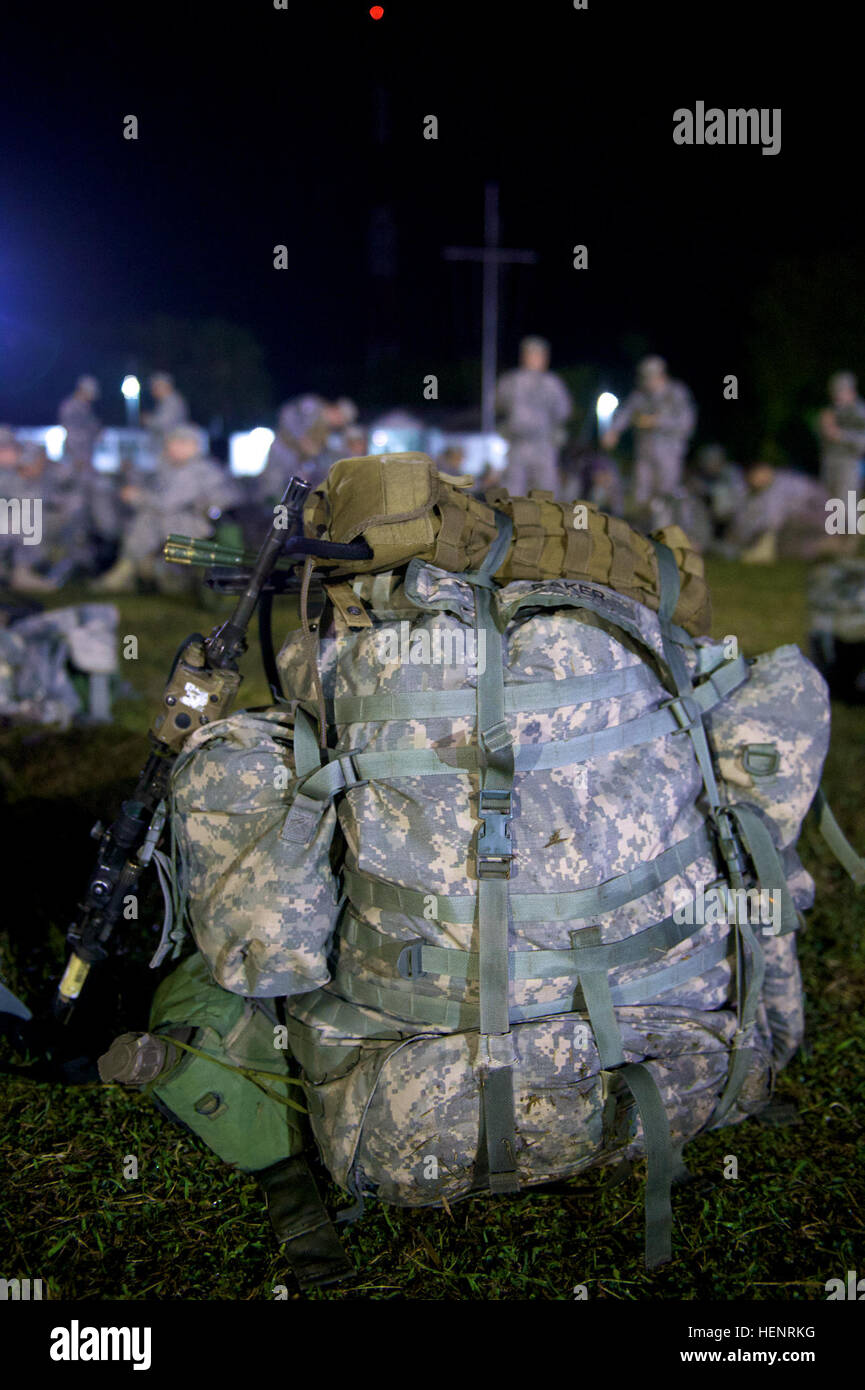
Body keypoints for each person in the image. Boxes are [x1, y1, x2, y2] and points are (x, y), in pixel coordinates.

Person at [91, 424, 240, 593]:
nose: (169, 447)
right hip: (192, 522)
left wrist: (137, 496)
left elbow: (166, 503)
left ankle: (128, 570)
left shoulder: (196, 470)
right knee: (148, 518)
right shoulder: (183, 467)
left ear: (191, 445)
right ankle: (135, 568)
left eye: (175, 443)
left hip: (201, 527)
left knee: (149, 518)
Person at [602, 356, 696, 519]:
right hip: (645, 453)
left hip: (668, 454)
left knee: (666, 494)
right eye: (645, 378)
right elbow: (626, 413)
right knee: (641, 493)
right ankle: (642, 533)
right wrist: (613, 431)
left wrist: (656, 421)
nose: (647, 382)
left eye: (650, 377)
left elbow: (686, 422)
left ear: (661, 376)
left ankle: (667, 533)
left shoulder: (676, 393)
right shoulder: (640, 395)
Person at [495, 336, 573, 495]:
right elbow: (497, 404)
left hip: (543, 443)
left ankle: (545, 519)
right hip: (518, 442)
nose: (536, 358)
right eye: (532, 354)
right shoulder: (511, 381)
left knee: (546, 489)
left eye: (539, 355)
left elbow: (564, 411)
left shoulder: (552, 383)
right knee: (513, 488)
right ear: (524, 356)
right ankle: (513, 519)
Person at [727, 463, 832, 563]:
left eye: (756, 475)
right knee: (790, 547)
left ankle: (832, 546)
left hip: (820, 518)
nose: (755, 480)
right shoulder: (766, 490)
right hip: (806, 524)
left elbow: (774, 520)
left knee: (787, 540)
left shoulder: (782, 482)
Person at [817, 371, 865, 502]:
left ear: (851, 392)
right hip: (830, 466)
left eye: (841, 391)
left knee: (847, 509)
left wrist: (841, 435)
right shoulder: (832, 411)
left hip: (849, 467)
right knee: (831, 511)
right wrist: (823, 426)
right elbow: (824, 440)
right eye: (834, 391)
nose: (837, 396)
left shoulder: (860, 412)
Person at [59, 376, 102, 467]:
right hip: (76, 457)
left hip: (86, 455)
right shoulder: (71, 406)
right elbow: (72, 433)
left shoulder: (86, 408)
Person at [142, 373, 189, 452]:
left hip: (171, 445)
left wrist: (148, 420)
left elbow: (163, 423)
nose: (153, 390)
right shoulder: (165, 401)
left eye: (155, 387)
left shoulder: (172, 401)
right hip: (167, 444)